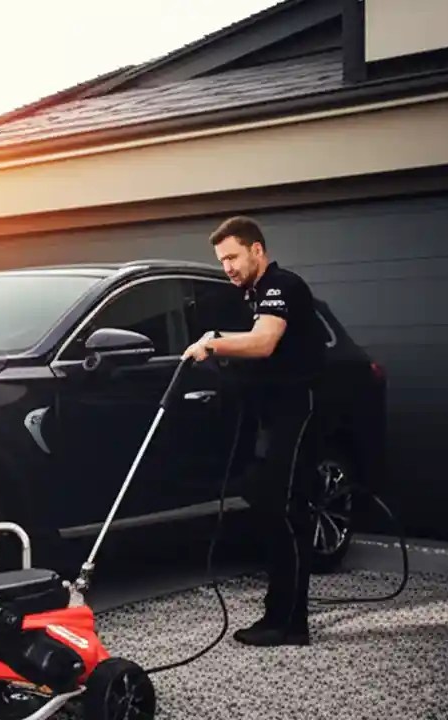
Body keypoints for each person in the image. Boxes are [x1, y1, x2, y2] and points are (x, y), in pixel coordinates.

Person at [182, 216, 327, 647]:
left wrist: (212, 343)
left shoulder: (282, 285)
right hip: (277, 416)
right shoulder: (255, 293)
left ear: (256, 251)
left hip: (299, 413)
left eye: (232, 256)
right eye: (221, 259)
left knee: (284, 511)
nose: (227, 266)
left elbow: (263, 342)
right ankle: (280, 612)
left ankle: (288, 623)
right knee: (271, 506)